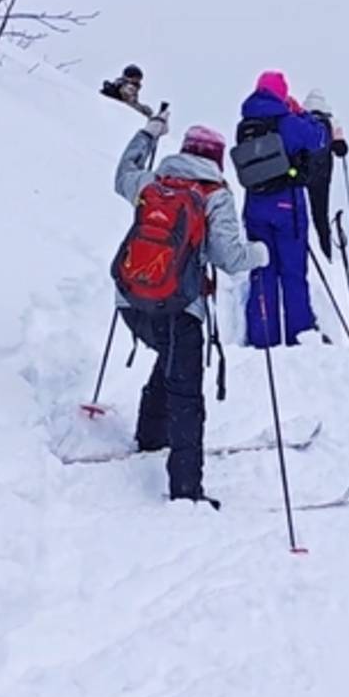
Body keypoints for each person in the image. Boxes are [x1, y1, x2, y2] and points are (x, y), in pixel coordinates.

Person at [113, 114, 267, 506]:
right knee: (186, 392)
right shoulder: (216, 194)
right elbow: (228, 257)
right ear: (216, 159)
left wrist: (148, 134)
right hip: (180, 306)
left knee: (167, 358)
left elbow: (122, 173)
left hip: (131, 300)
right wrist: (260, 254)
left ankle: (150, 437)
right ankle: (186, 490)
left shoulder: (152, 182)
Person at [231, 70, 333, 348]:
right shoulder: (288, 121)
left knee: (262, 270)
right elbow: (319, 139)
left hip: (255, 205)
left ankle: (263, 335)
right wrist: (309, 116)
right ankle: (299, 334)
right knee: (292, 272)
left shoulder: (246, 124)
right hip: (287, 204)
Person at [302, 90, 349, 258]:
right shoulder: (331, 121)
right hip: (323, 172)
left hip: (302, 171)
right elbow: (341, 149)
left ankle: (306, 250)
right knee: (321, 214)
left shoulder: (301, 119)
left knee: (301, 210)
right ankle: (326, 252)